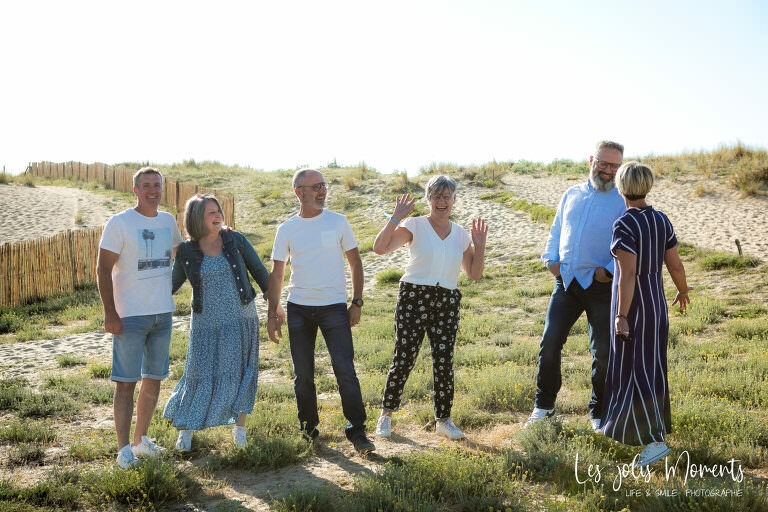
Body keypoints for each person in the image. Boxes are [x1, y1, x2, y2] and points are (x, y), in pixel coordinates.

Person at [162, 194, 284, 451]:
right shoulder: (186, 251)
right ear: (196, 218)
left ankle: (239, 430)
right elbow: (169, 286)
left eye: (218, 211)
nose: (218, 216)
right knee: (198, 373)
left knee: (242, 373)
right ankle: (186, 429)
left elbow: (262, 274)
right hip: (206, 324)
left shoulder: (235, 240)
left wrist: (275, 307)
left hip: (242, 318)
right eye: (211, 213)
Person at [266, 168, 375, 454]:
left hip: (334, 308)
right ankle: (309, 430)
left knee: (345, 369)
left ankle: (357, 430)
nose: (322, 191)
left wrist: (357, 302)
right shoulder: (286, 229)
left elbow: (355, 263)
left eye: (324, 185)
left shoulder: (338, 222)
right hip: (299, 308)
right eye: (316, 187)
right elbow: (277, 274)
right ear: (298, 191)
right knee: (303, 374)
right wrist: (271, 312)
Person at [372, 175, 488, 440]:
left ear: (454, 200)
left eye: (447, 196)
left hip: (447, 300)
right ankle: (385, 415)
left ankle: (443, 420)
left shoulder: (460, 234)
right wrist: (395, 217)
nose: (441, 201)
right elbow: (380, 249)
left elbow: (474, 273)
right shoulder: (414, 224)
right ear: (428, 199)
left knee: (444, 361)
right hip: (414, 295)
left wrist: (479, 246)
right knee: (404, 357)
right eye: (436, 196)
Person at [528, 141, 627, 431]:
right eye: (604, 164)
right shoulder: (571, 194)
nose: (608, 171)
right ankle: (543, 407)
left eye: (614, 166)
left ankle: (599, 412)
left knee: (603, 352)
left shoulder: (623, 200)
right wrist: (550, 261)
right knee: (549, 344)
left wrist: (608, 272)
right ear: (591, 160)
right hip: (566, 283)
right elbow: (556, 230)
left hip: (601, 288)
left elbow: (629, 243)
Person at [600, 162, 691, 466]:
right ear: (647, 186)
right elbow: (675, 265)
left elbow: (627, 275)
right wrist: (683, 289)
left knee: (636, 370)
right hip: (657, 305)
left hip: (634, 306)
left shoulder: (624, 224)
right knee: (651, 367)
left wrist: (621, 315)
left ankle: (655, 442)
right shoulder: (661, 220)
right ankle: (626, 430)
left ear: (621, 187)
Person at [97, 167, 183, 468]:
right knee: (125, 383)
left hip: (162, 313)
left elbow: (179, 255)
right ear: (135, 190)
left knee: (154, 379)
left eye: (157, 185)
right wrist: (110, 311)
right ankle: (123, 451)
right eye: (146, 186)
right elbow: (102, 269)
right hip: (129, 316)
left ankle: (141, 441)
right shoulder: (120, 223)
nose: (153, 191)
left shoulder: (169, 220)